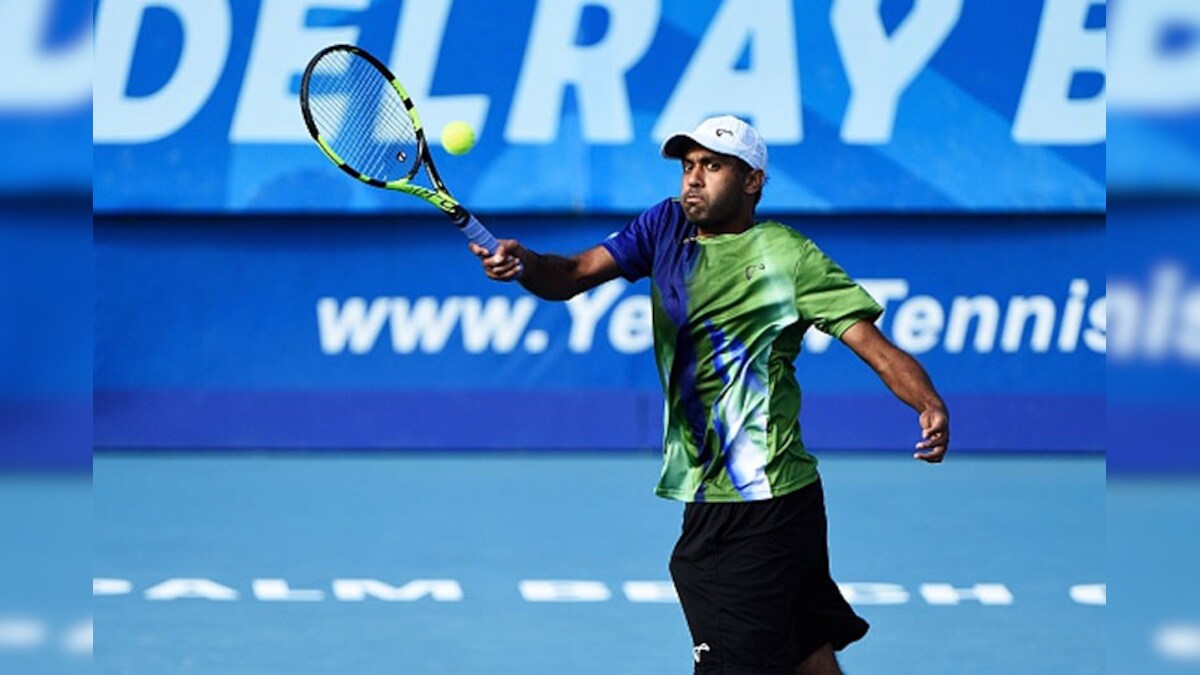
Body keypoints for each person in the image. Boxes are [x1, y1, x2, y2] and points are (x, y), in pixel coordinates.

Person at [470, 115, 949, 675]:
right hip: (769, 496)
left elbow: (871, 343)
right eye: (688, 165)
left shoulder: (788, 257)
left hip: (753, 503)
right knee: (806, 654)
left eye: (713, 166)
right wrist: (525, 263)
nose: (693, 178)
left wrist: (927, 403)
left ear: (752, 181)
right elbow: (572, 274)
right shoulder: (664, 226)